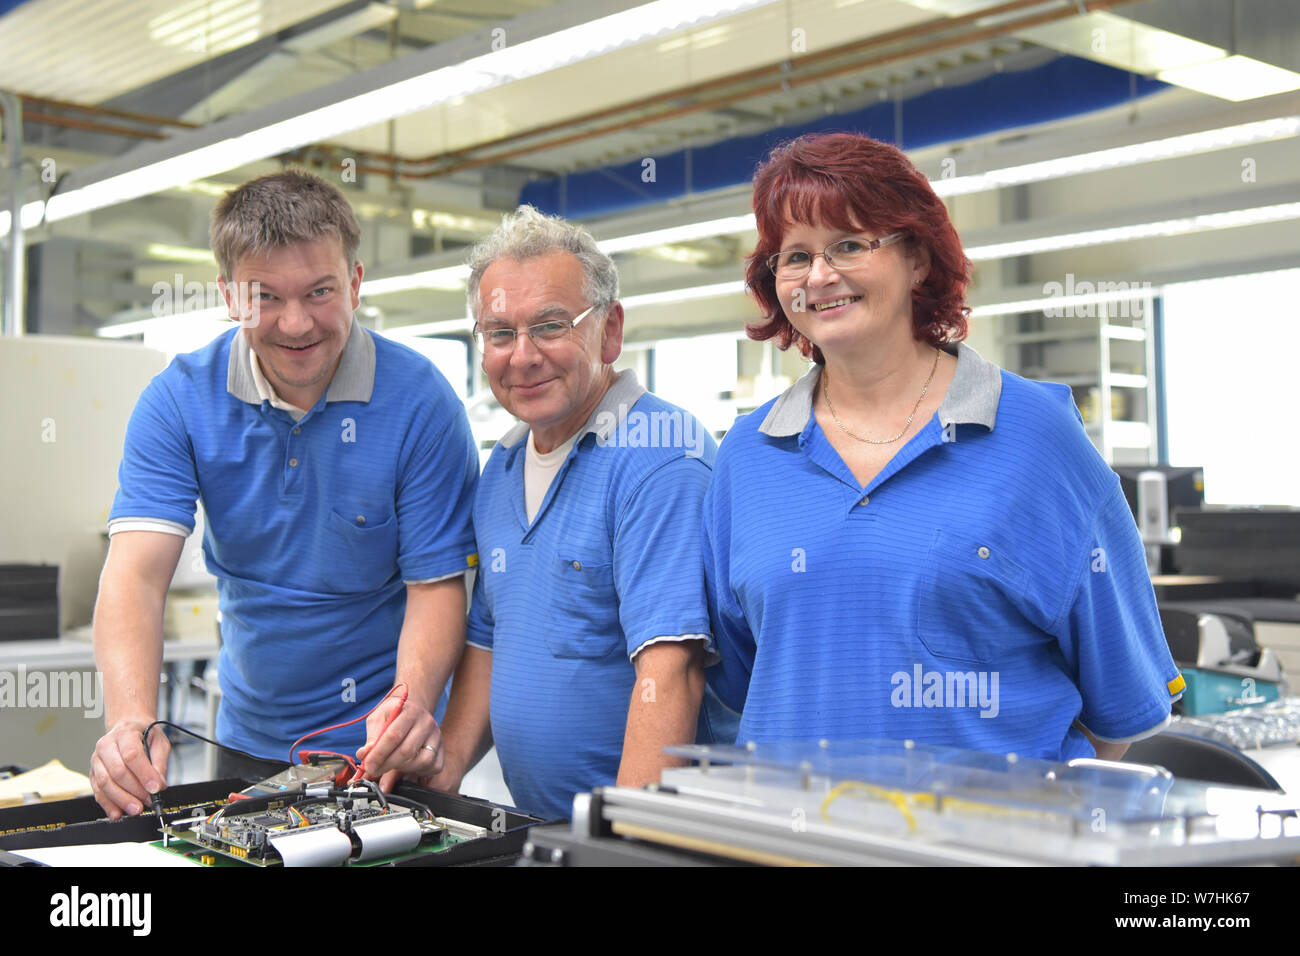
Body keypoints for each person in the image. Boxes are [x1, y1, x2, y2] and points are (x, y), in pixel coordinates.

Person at [704, 133, 1183, 762]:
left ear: (918, 261)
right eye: (795, 256)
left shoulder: (1036, 437)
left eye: (849, 244)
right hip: (790, 848)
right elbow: (738, 678)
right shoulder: (748, 454)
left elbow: (1118, 709)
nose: (820, 275)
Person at [91, 169, 478, 818]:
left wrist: (407, 709)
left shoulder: (421, 403)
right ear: (229, 295)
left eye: (320, 291)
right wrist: (131, 723)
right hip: (247, 737)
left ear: (355, 283)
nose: (296, 324)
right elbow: (134, 576)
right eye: (265, 296)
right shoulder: (179, 400)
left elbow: (436, 585)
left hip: (384, 749)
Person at [425, 206, 728, 820]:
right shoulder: (502, 468)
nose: (523, 356)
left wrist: (623, 843)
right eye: (500, 333)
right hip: (547, 829)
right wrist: (447, 765)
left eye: (550, 325)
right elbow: (489, 643)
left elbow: (673, 672)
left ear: (609, 331)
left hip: (649, 838)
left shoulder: (658, 455)